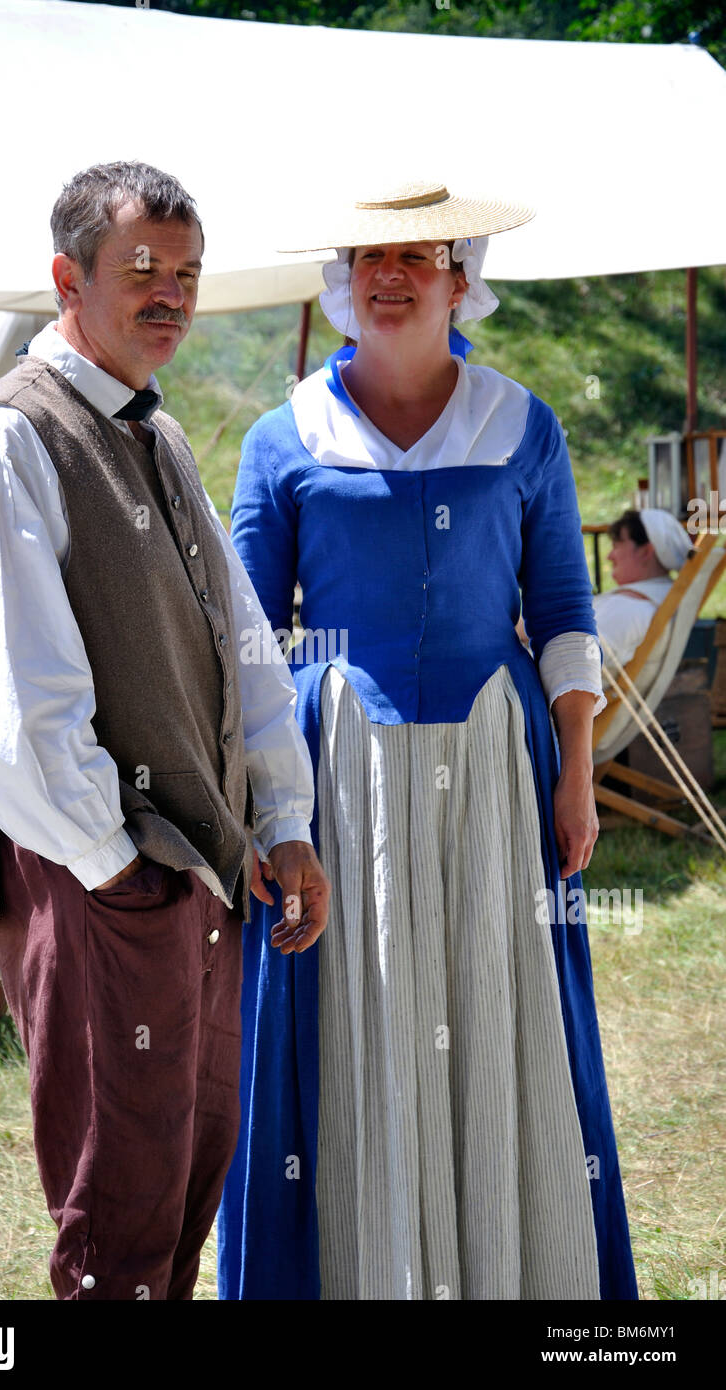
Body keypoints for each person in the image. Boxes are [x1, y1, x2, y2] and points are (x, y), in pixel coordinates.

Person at [218, 180, 638, 1301]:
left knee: (496, 1006)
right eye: (366, 254)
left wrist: (578, 775)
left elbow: (560, 610)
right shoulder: (281, 436)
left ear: (463, 279)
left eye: (415, 254)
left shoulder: (521, 424)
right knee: (354, 1006)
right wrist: (271, 810)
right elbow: (250, 643)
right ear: (340, 280)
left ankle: (512, 1267)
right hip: (337, 767)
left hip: (496, 768)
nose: (387, 274)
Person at [0, 161, 329, 1301]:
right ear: (67, 277)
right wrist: (122, 873)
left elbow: (244, 644)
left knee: (183, 1184)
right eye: (141, 269)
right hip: (99, 881)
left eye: (187, 274)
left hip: (195, 872)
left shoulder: (160, 437)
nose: (170, 294)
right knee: (117, 1217)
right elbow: (12, 711)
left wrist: (284, 816)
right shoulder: (7, 442)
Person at [594, 508, 693, 671]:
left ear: (646, 551)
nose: (609, 556)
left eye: (616, 546)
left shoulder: (629, 608)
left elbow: (574, 661)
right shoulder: (662, 598)